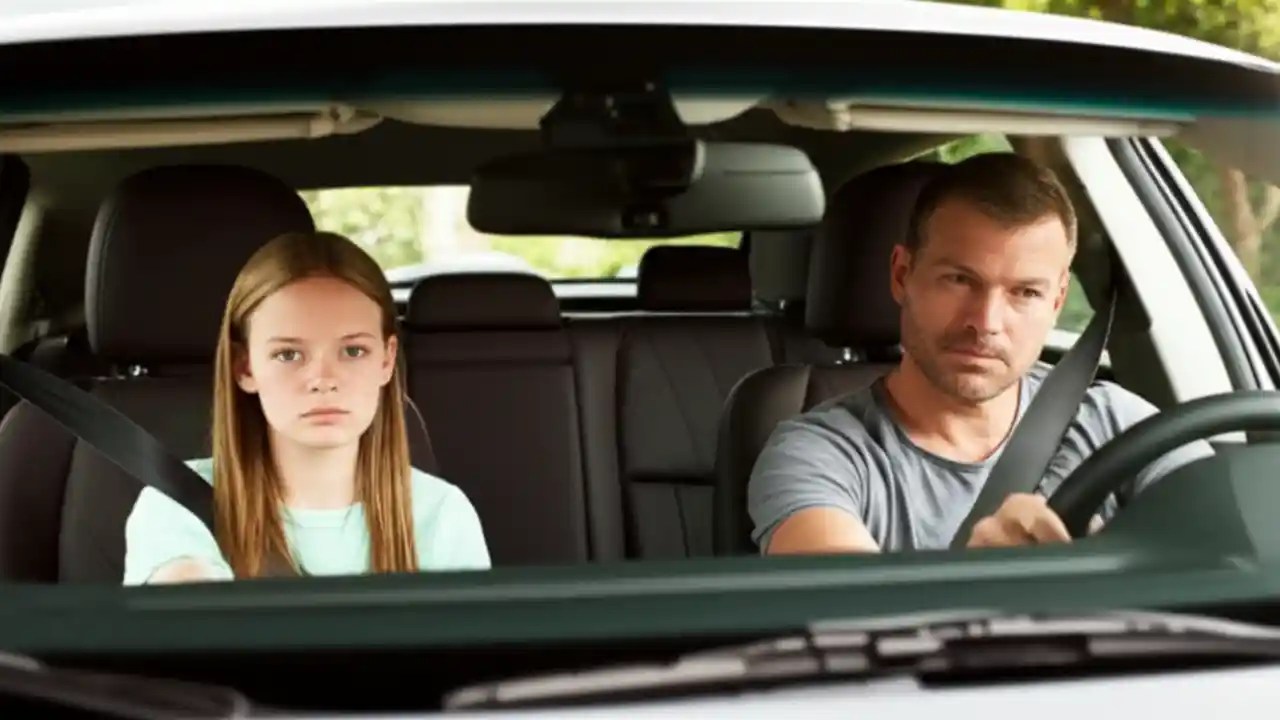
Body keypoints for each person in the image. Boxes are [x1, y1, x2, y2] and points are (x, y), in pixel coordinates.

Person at [747, 153, 1213, 555]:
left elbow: (1236, 551)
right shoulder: (822, 453)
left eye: (1025, 293)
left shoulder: (1119, 427)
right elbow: (839, 612)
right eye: (959, 280)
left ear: (1056, 301)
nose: (985, 321)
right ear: (902, 274)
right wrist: (981, 581)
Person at [123, 231, 490, 583]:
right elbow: (190, 618)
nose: (323, 379)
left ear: (386, 360)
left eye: (353, 351)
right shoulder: (178, 503)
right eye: (288, 354)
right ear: (245, 366)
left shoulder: (440, 514)